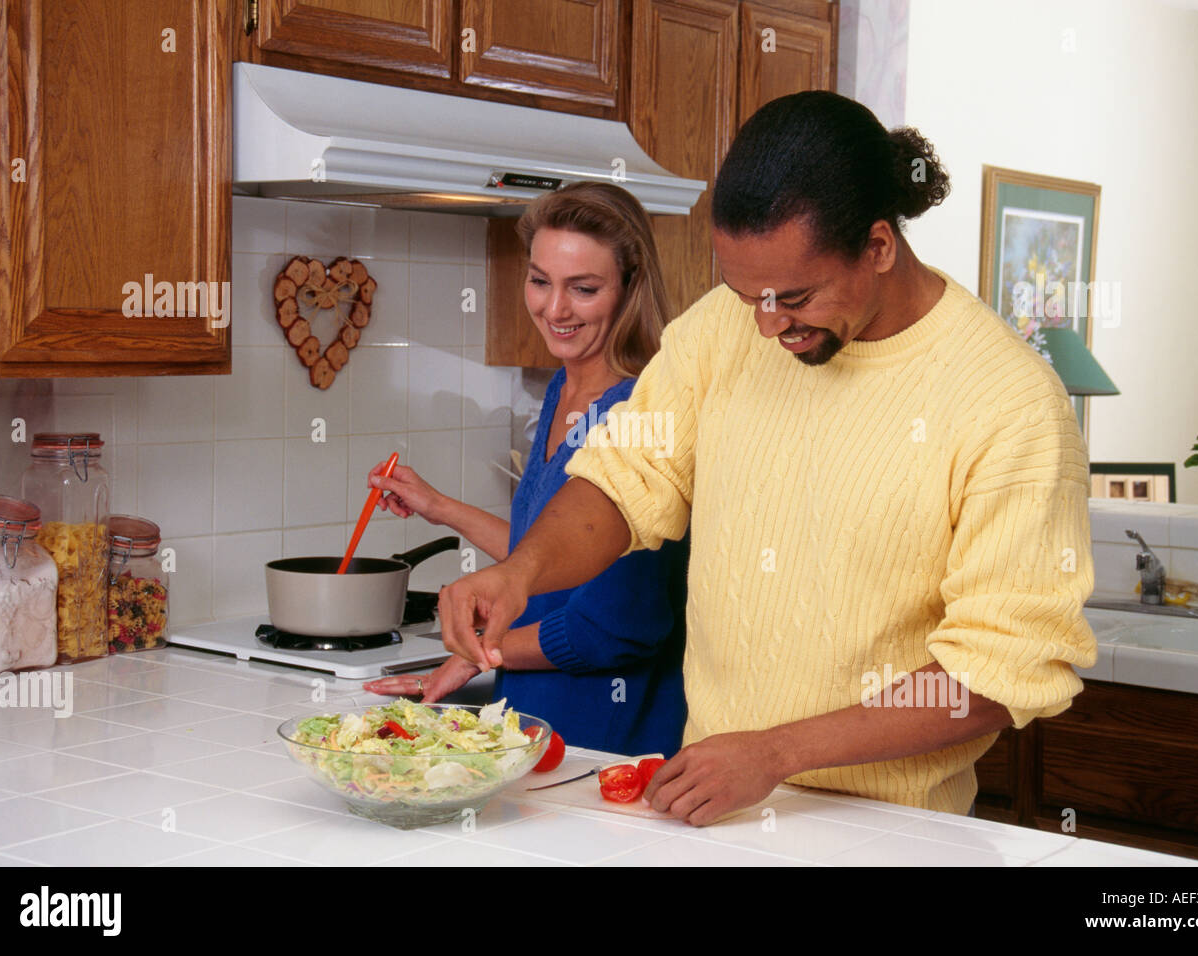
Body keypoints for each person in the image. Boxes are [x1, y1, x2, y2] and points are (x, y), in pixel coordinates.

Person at [435, 91, 1099, 825]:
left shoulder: (1008, 402)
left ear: (879, 246)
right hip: (714, 810)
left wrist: (779, 752)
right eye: (745, 292)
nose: (766, 322)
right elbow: (624, 479)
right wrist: (518, 571)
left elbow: (995, 671)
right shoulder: (721, 332)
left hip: (891, 834)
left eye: (794, 296)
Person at [362, 182, 689, 759]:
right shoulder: (565, 385)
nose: (554, 309)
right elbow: (553, 558)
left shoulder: (641, 414)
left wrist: (475, 653)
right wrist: (441, 508)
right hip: (532, 727)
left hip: (610, 742)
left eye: (583, 289)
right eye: (540, 281)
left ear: (630, 288)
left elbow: (613, 627)